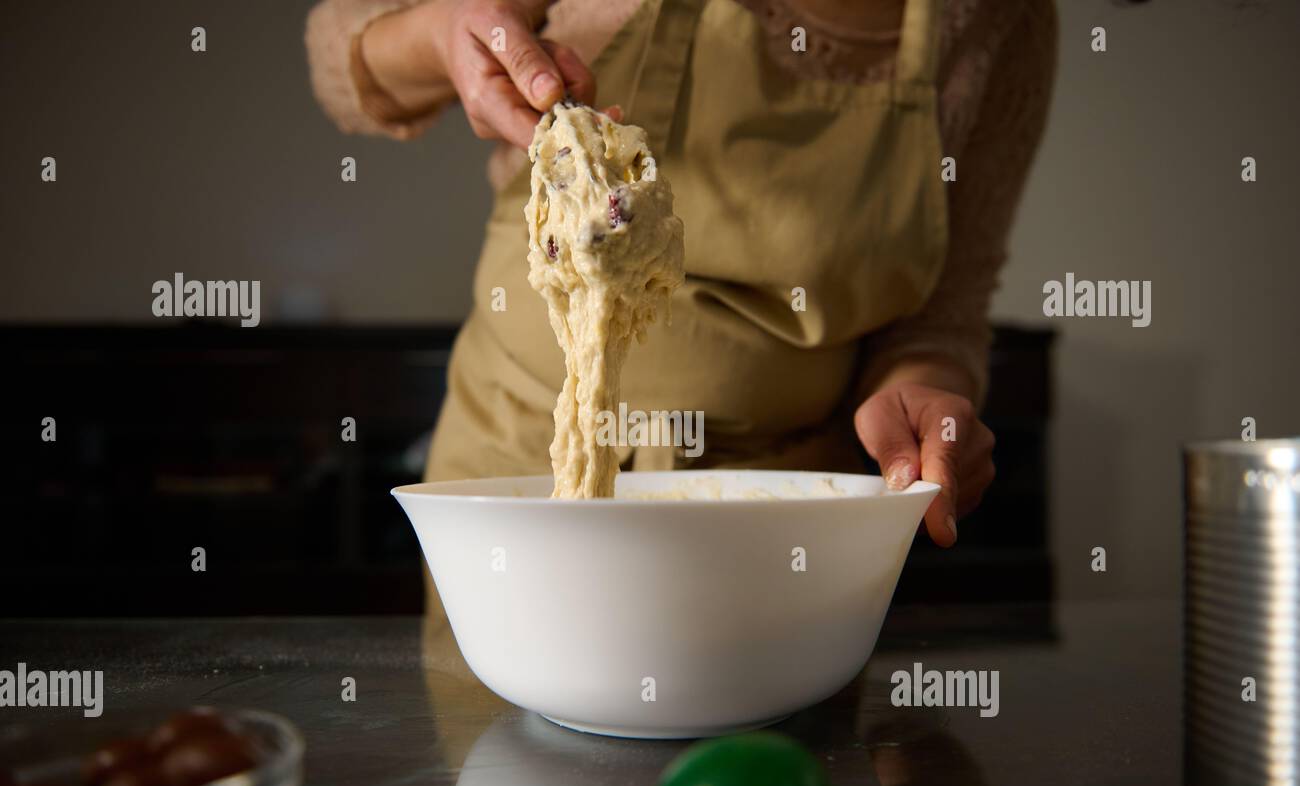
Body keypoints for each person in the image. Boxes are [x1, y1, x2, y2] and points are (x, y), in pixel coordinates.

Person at [305, 0, 1055, 551]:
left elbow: (942, 311)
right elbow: (341, 58)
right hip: (515, 477)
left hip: (775, 516)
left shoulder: (996, 20)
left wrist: (919, 393)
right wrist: (438, 34)